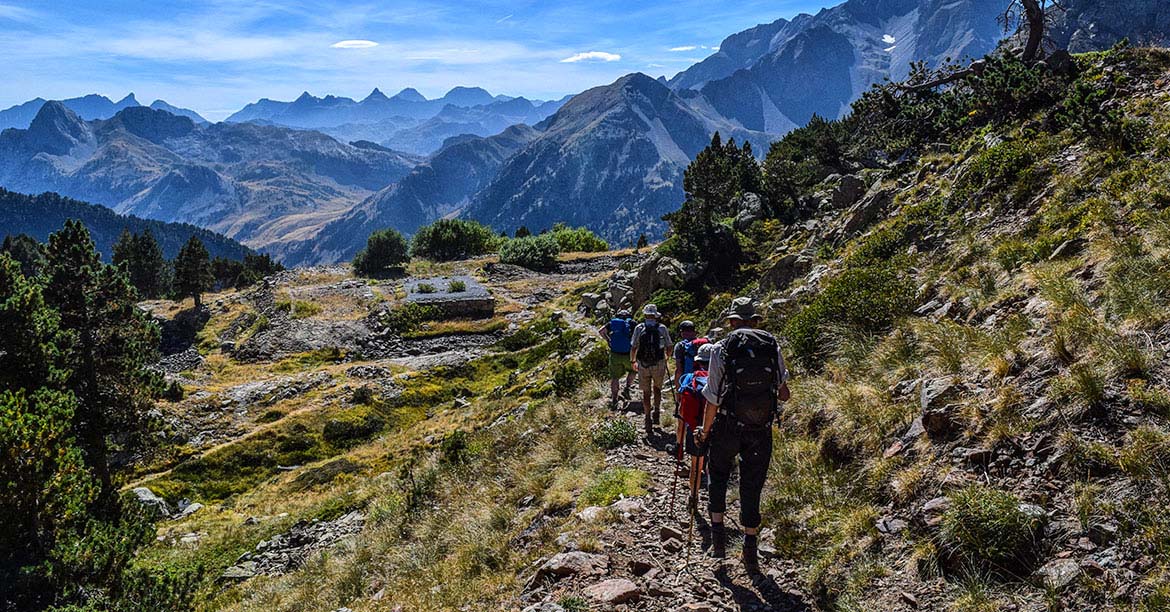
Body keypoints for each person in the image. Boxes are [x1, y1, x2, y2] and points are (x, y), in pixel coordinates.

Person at [695, 297, 790, 573]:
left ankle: (719, 545)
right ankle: (750, 551)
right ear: (755, 320)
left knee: (718, 478)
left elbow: (712, 397)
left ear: (733, 321)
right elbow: (784, 393)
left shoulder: (721, 347)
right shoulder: (771, 344)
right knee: (752, 485)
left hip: (726, 425)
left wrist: (705, 430)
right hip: (760, 429)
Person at [630, 304, 672, 436]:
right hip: (658, 363)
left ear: (645, 315)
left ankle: (647, 417)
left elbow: (634, 347)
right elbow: (669, 346)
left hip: (643, 364)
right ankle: (657, 412)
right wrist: (666, 358)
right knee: (657, 389)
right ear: (655, 315)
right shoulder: (662, 328)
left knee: (646, 393)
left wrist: (633, 361)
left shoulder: (639, 328)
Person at [598, 308, 636, 408]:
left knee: (615, 377)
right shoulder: (632, 323)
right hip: (629, 353)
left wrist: (608, 340)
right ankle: (627, 388)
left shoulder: (612, 323)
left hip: (615, 353)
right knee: (633, 371)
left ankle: (614, 399)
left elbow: (601, 331)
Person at [672, 320, 709, 391]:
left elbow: (679, 369)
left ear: (682, 333)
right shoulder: (703, 344)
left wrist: (678, 389)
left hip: (687, 379)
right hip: (705, 379)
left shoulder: (680, 346)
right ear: (694, 332)